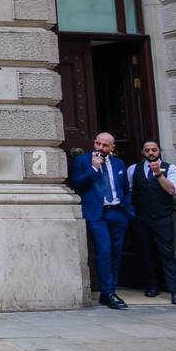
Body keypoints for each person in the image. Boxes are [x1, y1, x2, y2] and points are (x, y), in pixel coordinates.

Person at [69, 131, 135, 310]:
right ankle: (107, 292)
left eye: (105, 145)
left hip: (118, 213)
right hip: (97, 214)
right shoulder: (82, 161)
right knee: (104, 251)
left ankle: (110, 291)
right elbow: (77, 183)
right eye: (98, 143)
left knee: (115, 253)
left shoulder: (118, 163)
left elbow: (126, 188)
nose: (100, 148)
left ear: (112, 147)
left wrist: (127, 209)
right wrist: (94, 169)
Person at [127, 140, 176, 304]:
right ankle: (153, 286)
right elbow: (131, 191)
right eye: (147, 150)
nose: (151, 153)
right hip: (141, 218)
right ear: (143, 153)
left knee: (167, 254)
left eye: (154, 150)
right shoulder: (133, 169)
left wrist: (159, 174)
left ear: (159, 151)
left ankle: (174, 290)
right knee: (147, 253)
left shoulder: (170, 168)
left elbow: (171, 190)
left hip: (162, 218)